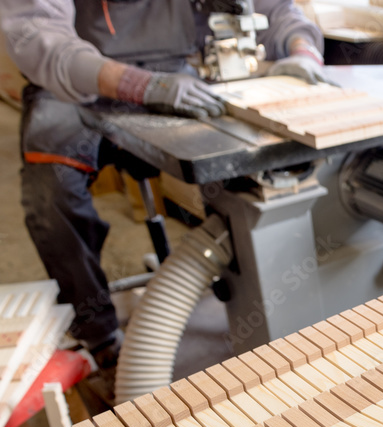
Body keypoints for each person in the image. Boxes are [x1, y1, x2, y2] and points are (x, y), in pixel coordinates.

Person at [0, 0, 326, 377]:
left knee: (246, 168)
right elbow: (38, 36)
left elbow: (276, 9)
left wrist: (304, 52)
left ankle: (248, 298)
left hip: (178, 77)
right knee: (51, 193)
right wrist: (140, 85)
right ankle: (99, 333)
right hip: (74, 80)